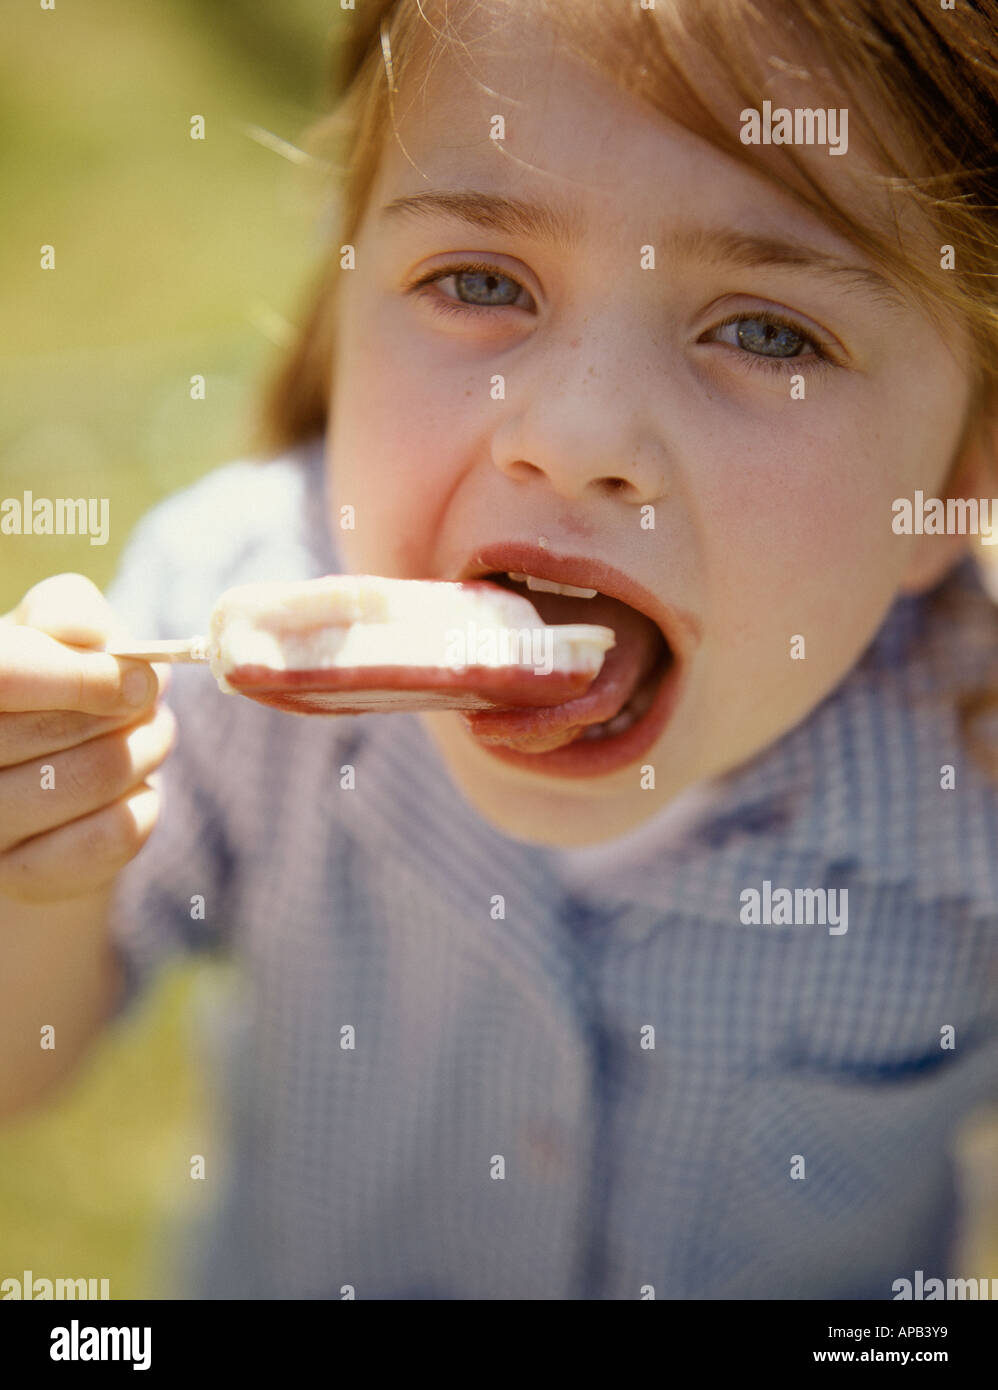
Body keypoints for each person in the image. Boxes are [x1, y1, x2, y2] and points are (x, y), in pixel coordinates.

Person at [3, 0, 997, 1299]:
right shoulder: (231, 611)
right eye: (480, 281)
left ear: (960, 476)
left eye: (766, 330)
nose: (575, 432)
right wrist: (36, 871)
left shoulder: (963, 768)